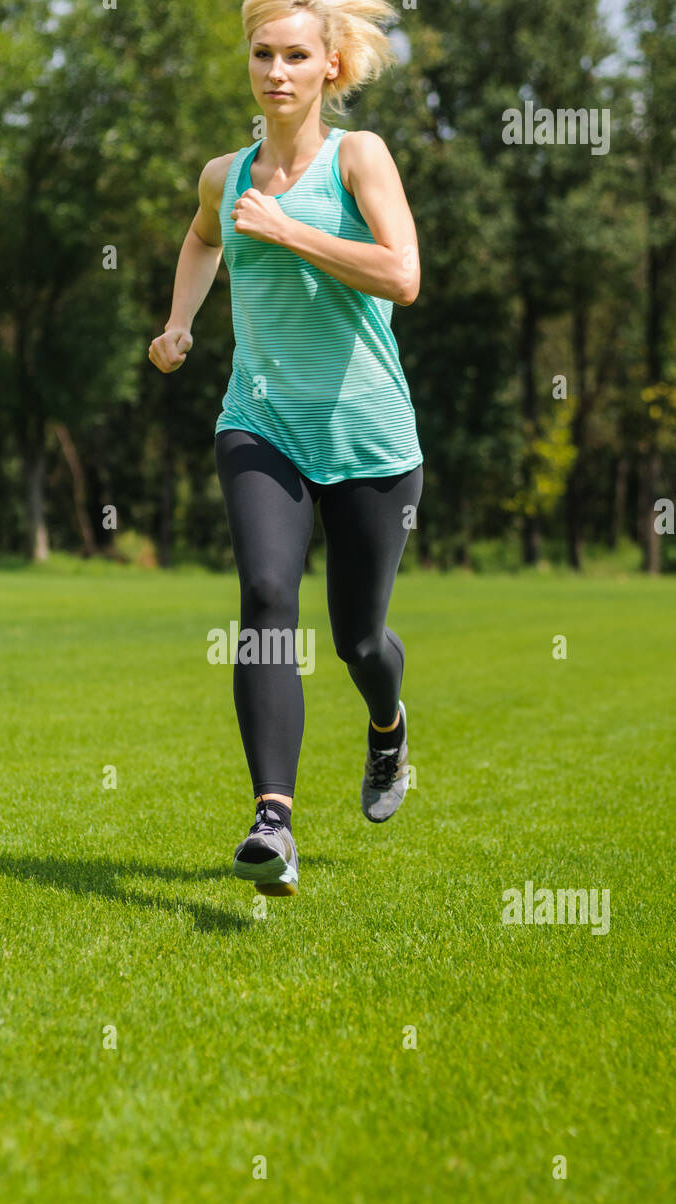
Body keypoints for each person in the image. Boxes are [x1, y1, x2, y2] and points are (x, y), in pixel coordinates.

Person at [148, 0, 423, 897]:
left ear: (329, 67)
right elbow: (201, 239)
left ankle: (387, 726)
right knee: (266, 594)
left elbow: (402, 274)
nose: (275, 71)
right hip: (259, 423)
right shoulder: (223, 177)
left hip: (369, 436)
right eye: (262, 53)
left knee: (357, 640)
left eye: (295, 55)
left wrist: (292, 233)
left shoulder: (359, 157)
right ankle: (274, 819)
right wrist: (180, 322)